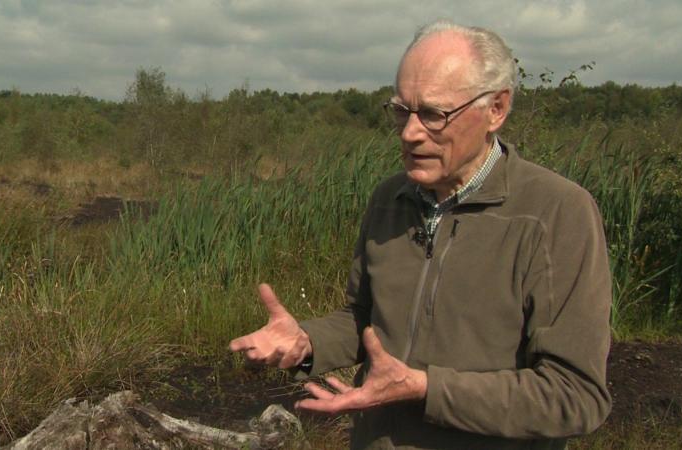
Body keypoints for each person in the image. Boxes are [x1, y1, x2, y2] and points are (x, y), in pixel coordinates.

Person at [230, 19, 612, 449]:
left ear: (496, 109)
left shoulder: (556, 214)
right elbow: (365, 319)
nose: (410, 133)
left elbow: (575, 396)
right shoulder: (389, 199)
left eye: (433, 114)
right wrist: (307, 341)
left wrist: (427, 389)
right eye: (401, 111)